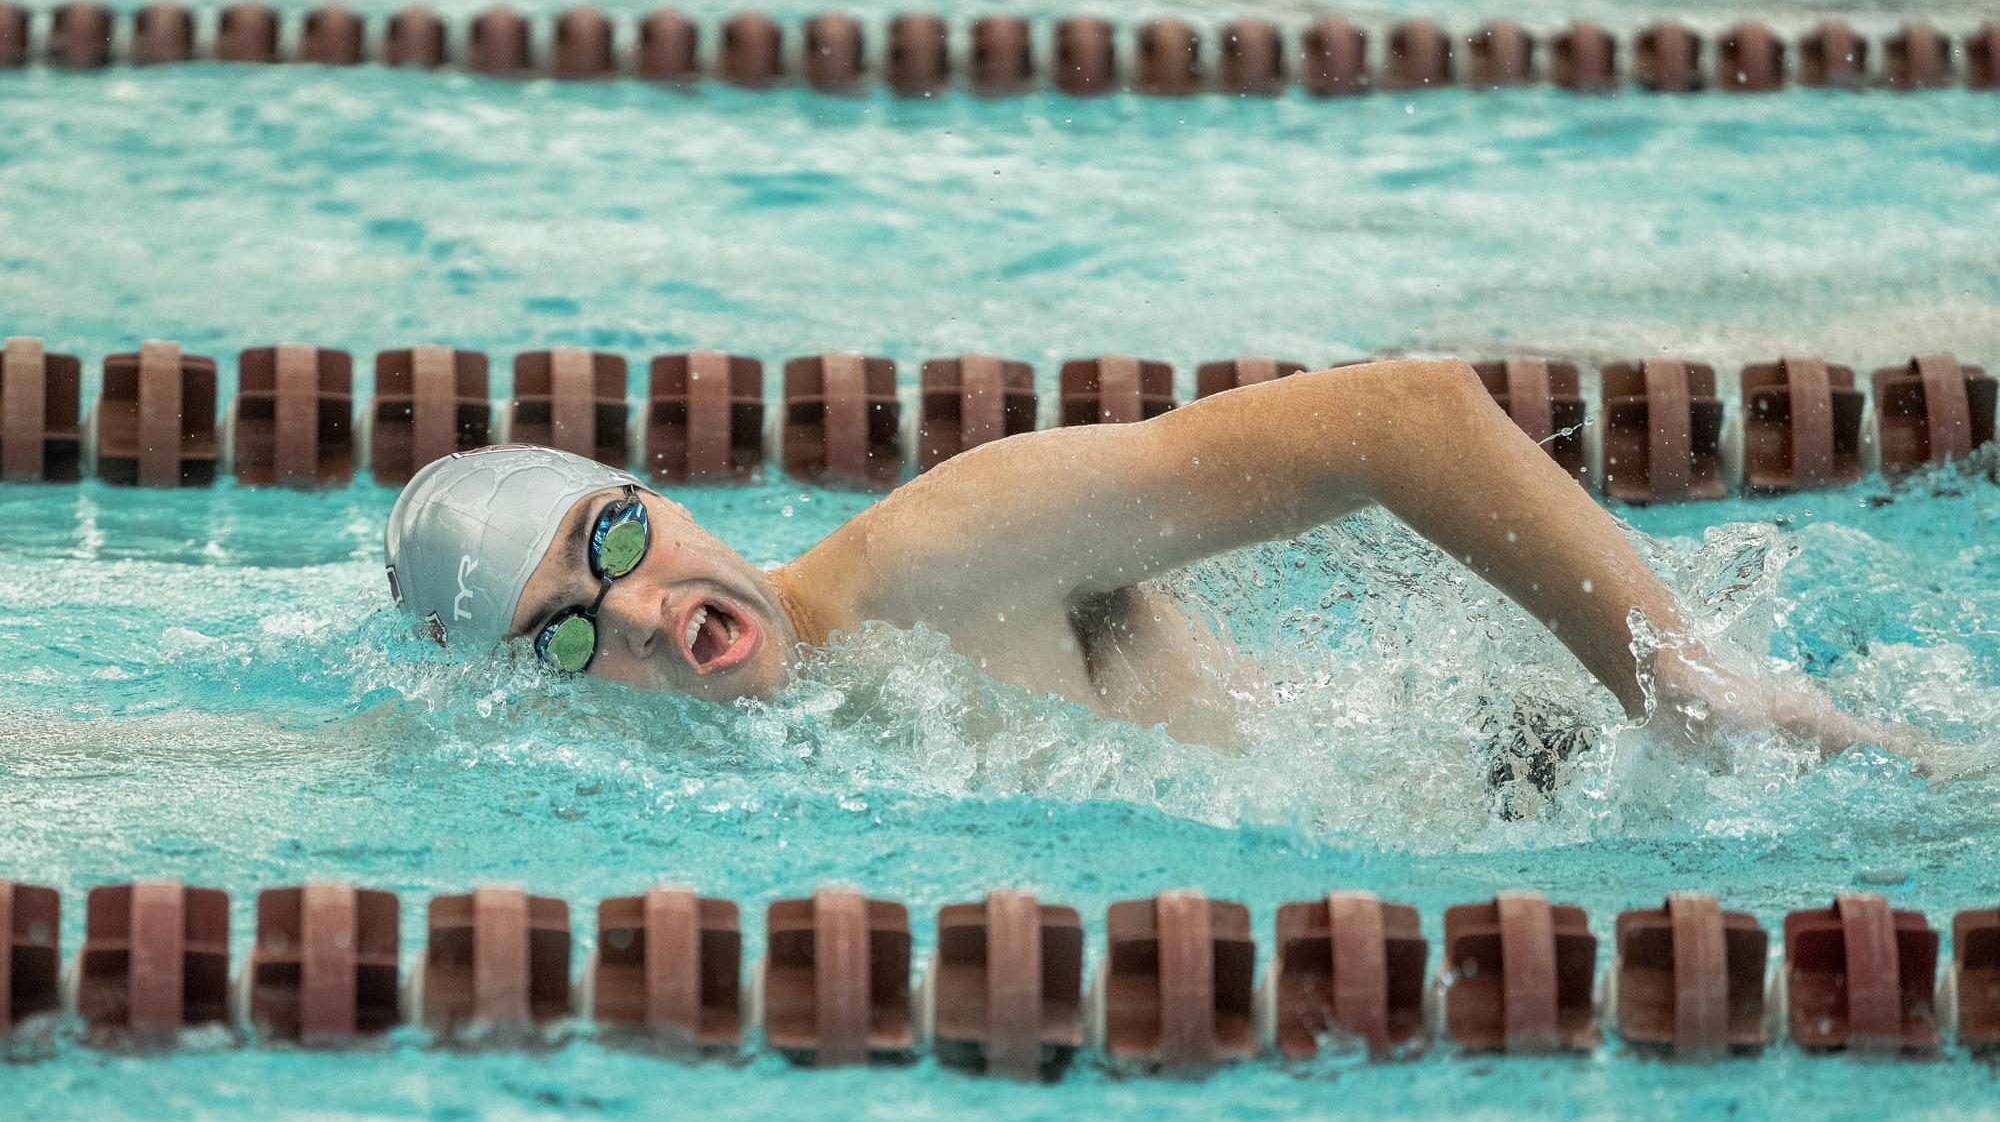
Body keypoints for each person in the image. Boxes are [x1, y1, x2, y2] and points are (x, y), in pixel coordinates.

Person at [384, 358, 1955, 774]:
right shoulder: (725, 794)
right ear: (548, 699)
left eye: (612, 543)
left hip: (1542, 779)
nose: (648, 615)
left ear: (651, 494)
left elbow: (1399, 416)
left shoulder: (937, 558)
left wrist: (1673, 677)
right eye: (570, 638)